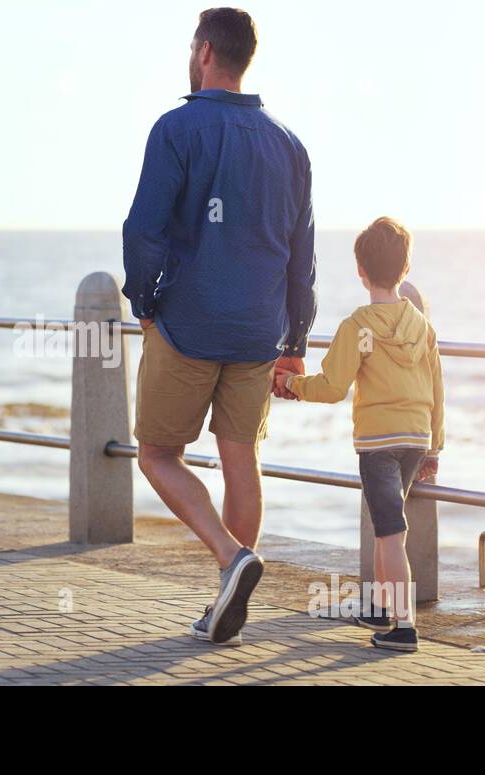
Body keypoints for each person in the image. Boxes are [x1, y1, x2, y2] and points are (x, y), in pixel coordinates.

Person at [122, 7, 317, 646]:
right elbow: (301, 254)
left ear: (205, 51)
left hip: (189, 322)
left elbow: (143, 229)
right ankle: (229, 602)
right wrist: (295, 342)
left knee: (156, 453)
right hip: (260, 330)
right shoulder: (289, 144)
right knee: (241, 458)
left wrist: (143, 300)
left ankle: (232, 560)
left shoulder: (176, 128)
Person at [277, 216, 445, 652]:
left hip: (379, 443)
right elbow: (437, 389)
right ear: (405, 269)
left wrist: (292, 385)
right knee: (383, 519)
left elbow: (332, 387)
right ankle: (376, 606)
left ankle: (404, 627)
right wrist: (435, 446)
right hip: (415, 436)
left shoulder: (358, 325)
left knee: (391, 531)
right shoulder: (422, 327)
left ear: (361, 271)